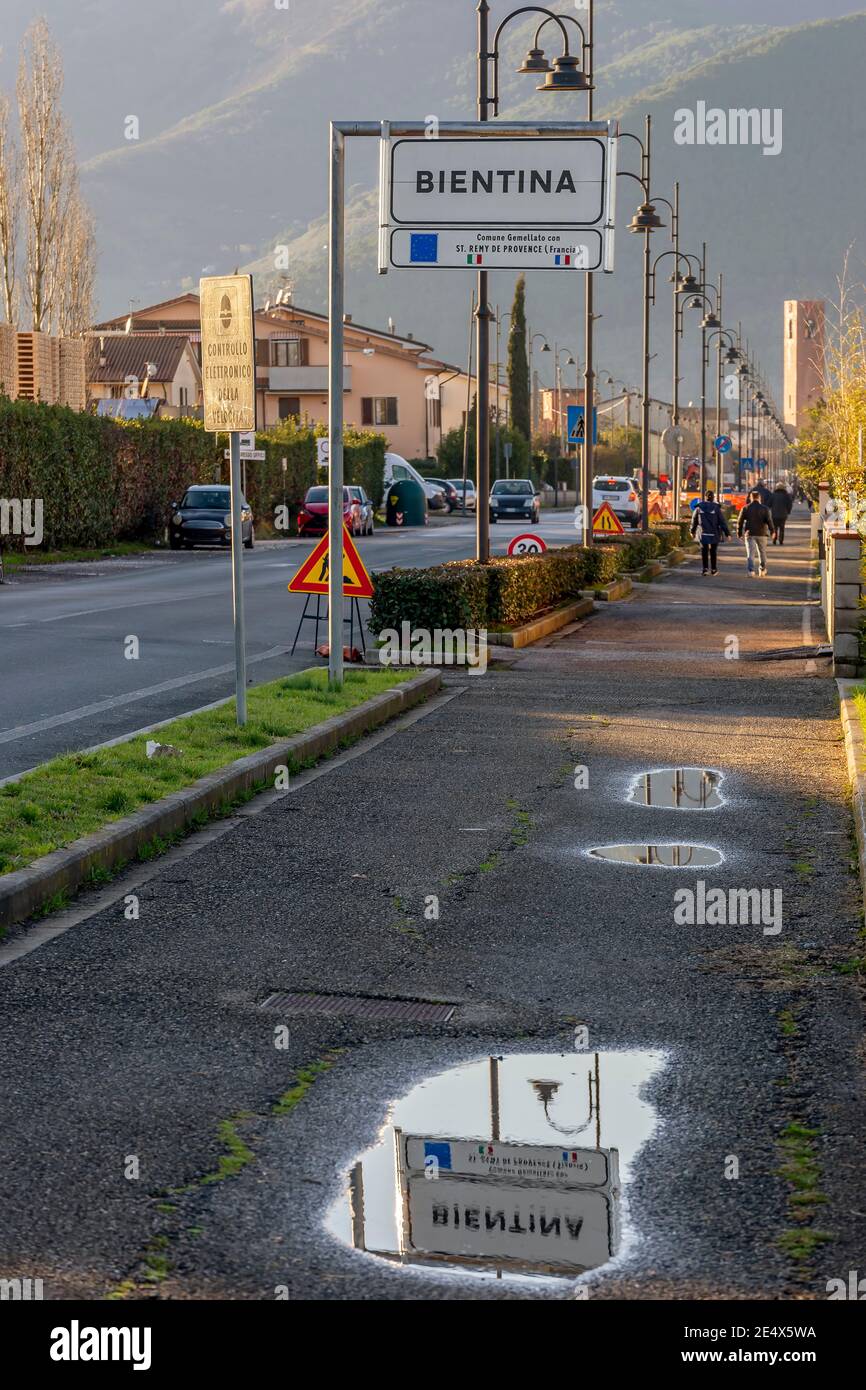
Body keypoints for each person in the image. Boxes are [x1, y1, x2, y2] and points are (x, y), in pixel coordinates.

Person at [690, 488, 730, 575]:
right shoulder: (716, 508)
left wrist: (692, 531)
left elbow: (694, 520)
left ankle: (705, 569)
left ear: (705, 497)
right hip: (714, 532)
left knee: (704, 551)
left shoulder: (699, 507)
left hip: (702, 533)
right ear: (713, 498)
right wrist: (727, 533)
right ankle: (714, 569)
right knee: (713, 551)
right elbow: (722, 521)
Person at [737, 488, 776, 576]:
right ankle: (762, 569)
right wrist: (772, 531)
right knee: (762, 552)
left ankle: (751, 571)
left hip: (750, 533)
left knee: (750, 553)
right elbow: (769, 521)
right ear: (759, 498)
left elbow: (740, 521)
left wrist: (739, 533)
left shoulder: (745, 508)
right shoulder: (765, 509)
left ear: (751, 498)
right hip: (762, 533)